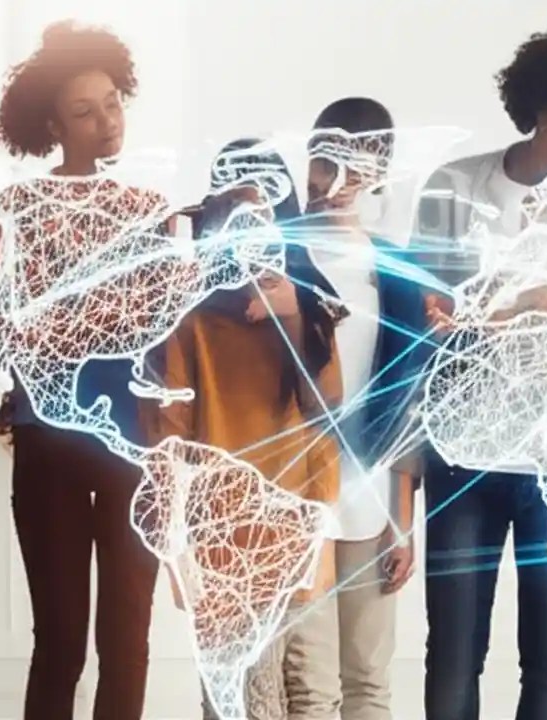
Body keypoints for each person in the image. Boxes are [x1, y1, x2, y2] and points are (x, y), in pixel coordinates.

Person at [416, 26, 547, 720]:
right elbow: (432, 311)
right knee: (453, 648)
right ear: (539, 107)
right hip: (466, 449)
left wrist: (530, 298)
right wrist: (543, 298)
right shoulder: (455, 187)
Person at [0, 21, 163, 720]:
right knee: (60, 646)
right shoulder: (16, 210)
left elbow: (162, 331)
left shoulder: (151, 211)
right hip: (47, 445)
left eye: (113, 103)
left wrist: (55, 328)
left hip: (135, 448)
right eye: (85, 112)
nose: (106, 122)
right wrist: (89, 326)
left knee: (128, 643)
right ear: (52, 123)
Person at [153, 139, 345, 720]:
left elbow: (326, 408)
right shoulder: (190, 324)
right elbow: (169, 442)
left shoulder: (309, 311)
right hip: (226, 547)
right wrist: (174, 553)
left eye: (263, 220)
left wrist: (294, 315)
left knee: (314, 693)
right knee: (242, 700)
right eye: (239, 224)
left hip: (304, 534)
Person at [297, 96, 427, 720]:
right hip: (297, 498)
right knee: (311, 688)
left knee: (370, 681)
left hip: (372, 497)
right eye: (331, 163)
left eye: (361, 165)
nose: (343, 181)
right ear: (311, 164)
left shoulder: (396, 271)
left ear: (379, 173)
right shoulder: (284, 259)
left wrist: (403, 517)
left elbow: (408, 402)